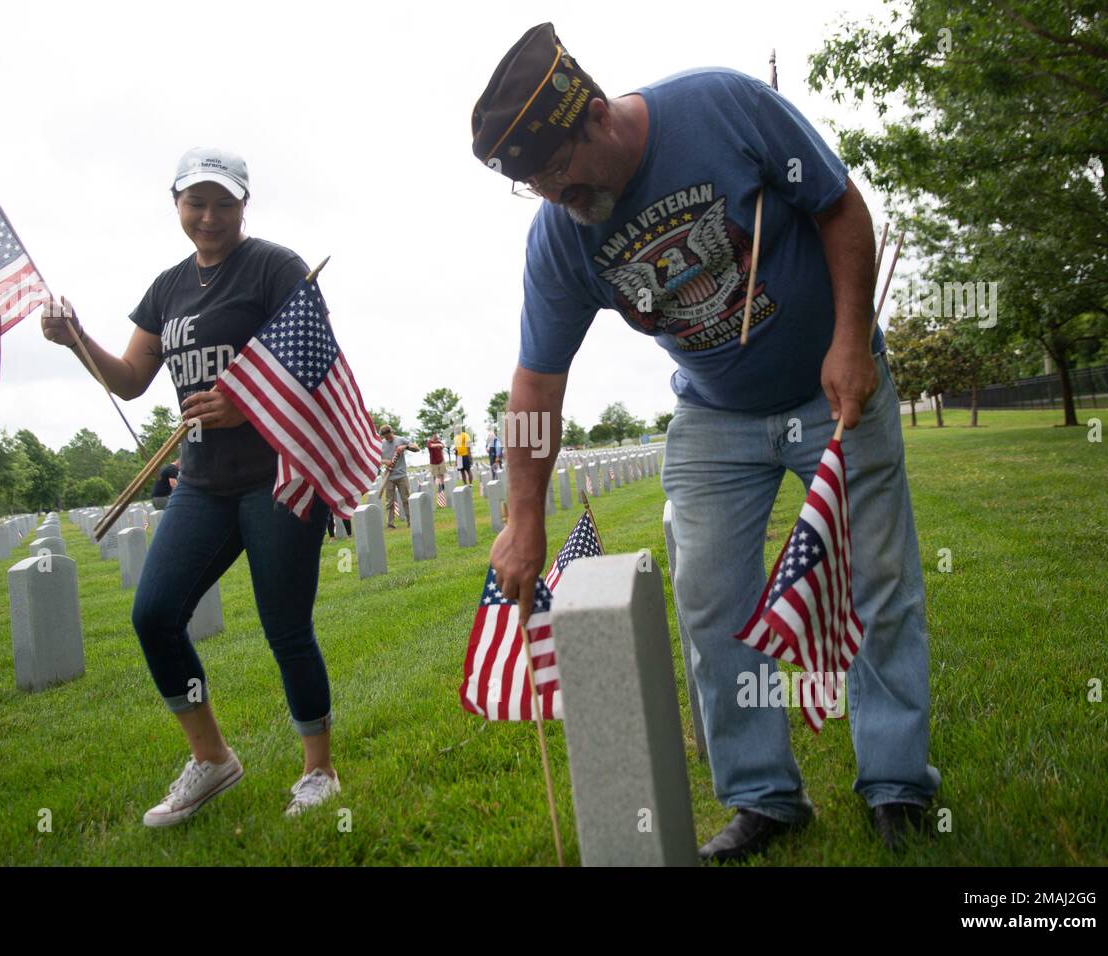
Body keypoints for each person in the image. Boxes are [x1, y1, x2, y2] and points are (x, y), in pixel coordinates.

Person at [474, 24, 939, 861]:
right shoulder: (559, 239)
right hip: (713, 413)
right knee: (712, 600)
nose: (554, 197)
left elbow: (840, 207)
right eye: (534, 186)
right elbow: (537, 385)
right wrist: (523, 514)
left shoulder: (721, 106)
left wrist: (851, 340)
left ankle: (897, 784)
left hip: (831, 381)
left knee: (878, 574)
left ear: (588, 115)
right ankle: (764, 796)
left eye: (555, 173)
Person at [40, 146, 341, 827]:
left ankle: (318, 770)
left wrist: (246, 405)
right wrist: (74, 338)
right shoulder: (167, 289)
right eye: (196, 202)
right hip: (202, 483)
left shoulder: (273, 266)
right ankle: (212, 758)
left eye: (224, 202)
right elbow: (129, 378)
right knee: (153, 614)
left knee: (285, 625)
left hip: (276, 476)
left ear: (244, 205)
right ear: (176, 202)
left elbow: (316, 361)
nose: (209, 216)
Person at [378, 424, 417, 529]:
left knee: (406, 499)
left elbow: (416, 448)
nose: (388, 437)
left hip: (401, 475)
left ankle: (411, 522)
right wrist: (384, 461)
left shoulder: (401, 440)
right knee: (389, 502)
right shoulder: (381, 444)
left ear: (392, 431)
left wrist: (405, 447)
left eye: (389, 434)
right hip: (388, 477)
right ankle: (390, 524)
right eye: (385, 436)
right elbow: (376, 458)